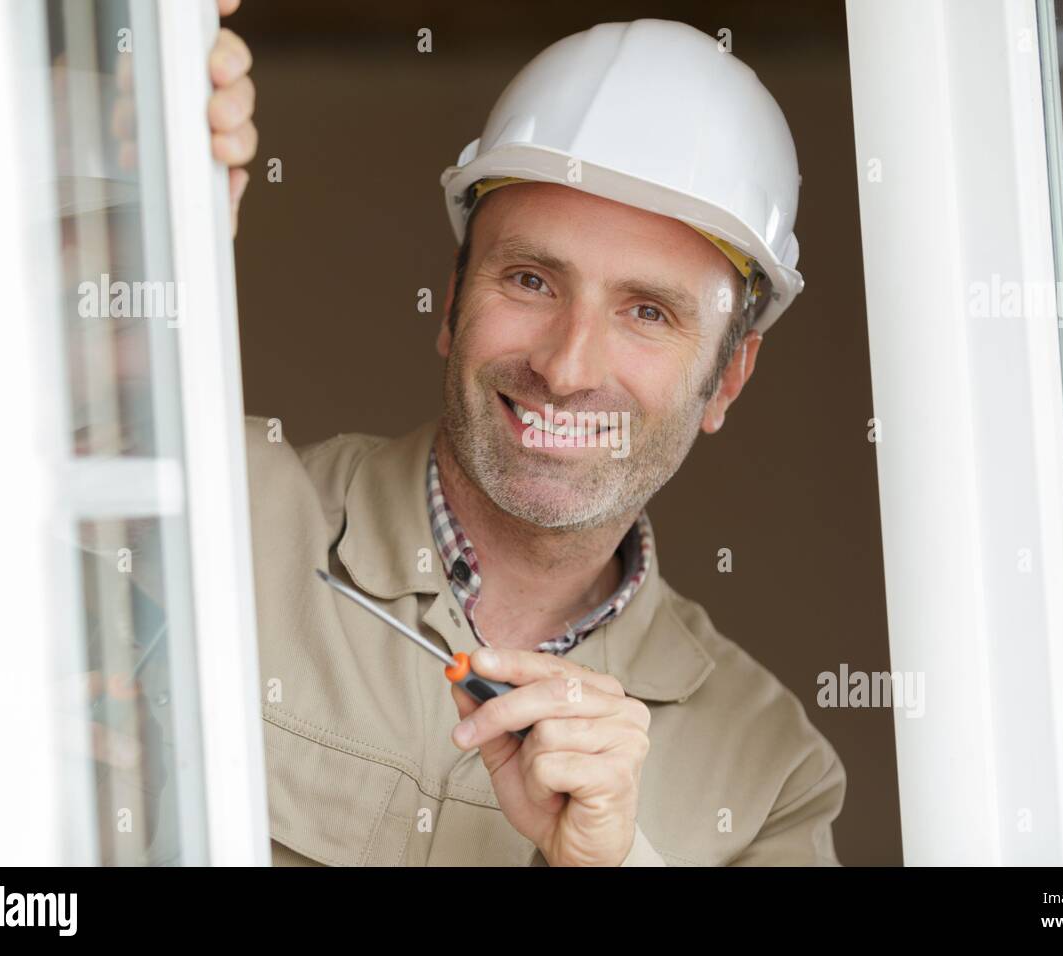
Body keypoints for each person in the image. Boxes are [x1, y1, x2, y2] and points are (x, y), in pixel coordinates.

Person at [233, 17, 847, 867]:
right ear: (452, 304)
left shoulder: (771, 775)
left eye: (647, 312)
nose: (565, 367)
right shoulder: (220, 515)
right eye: (530, 280)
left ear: (729, 378)